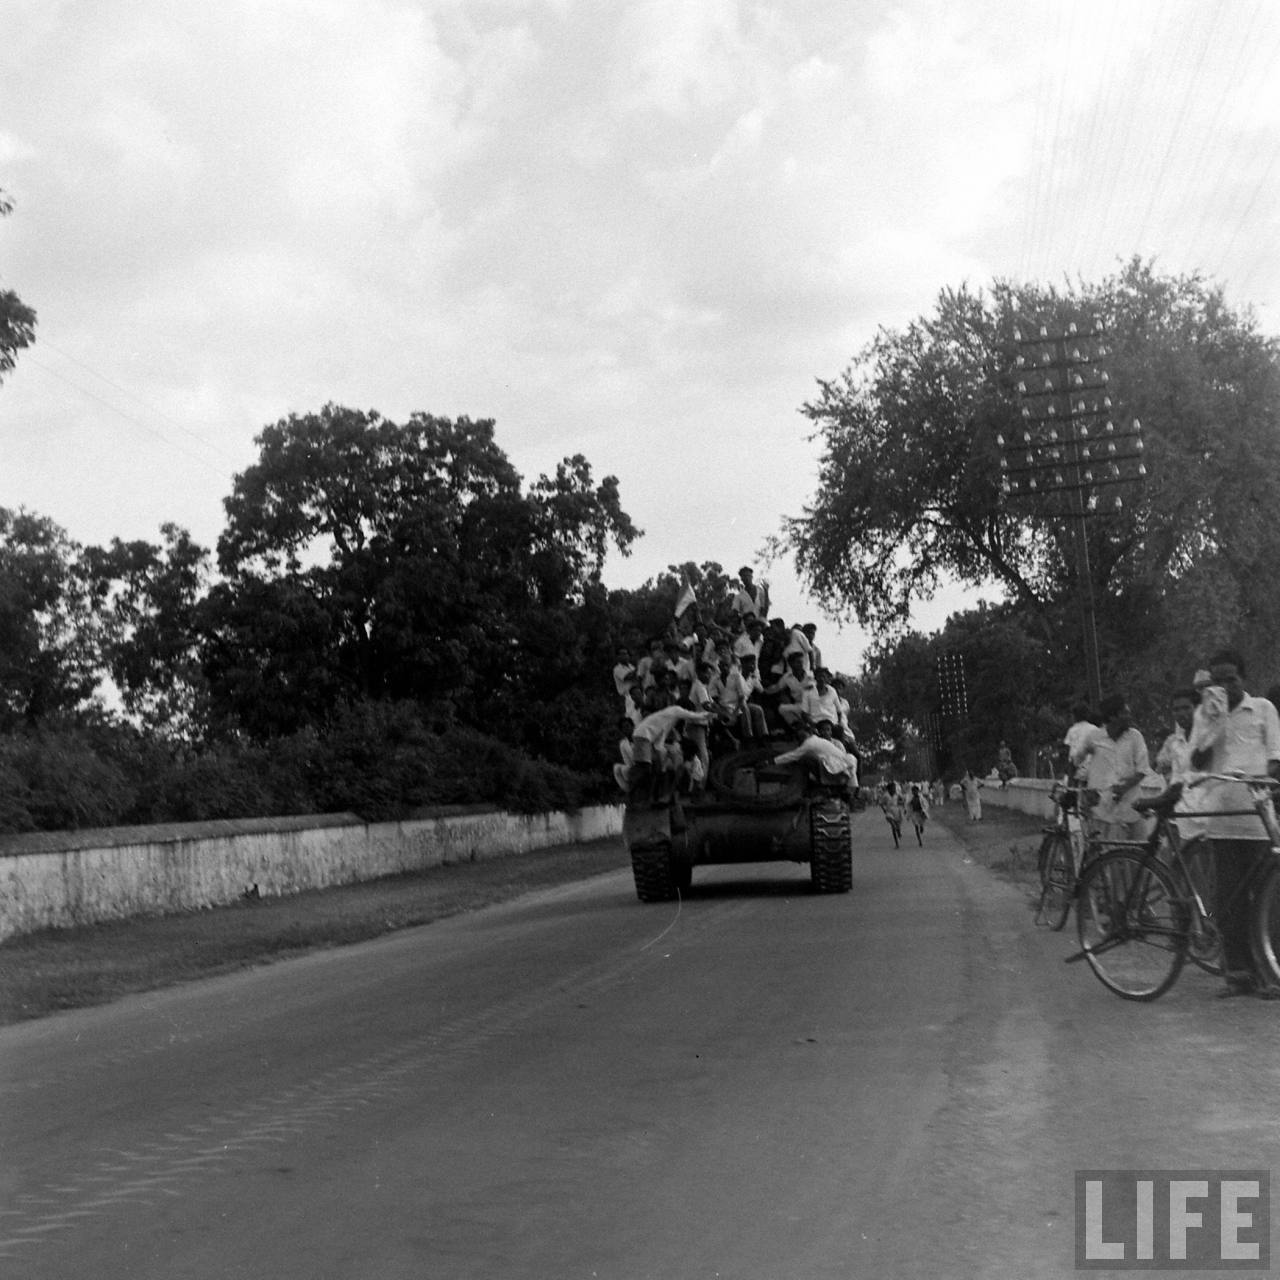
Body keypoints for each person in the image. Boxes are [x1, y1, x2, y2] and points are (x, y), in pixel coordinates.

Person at [1189, 648, 1280, 997]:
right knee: (1230, 901)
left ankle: (1268, 974)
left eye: (1231, 678)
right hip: (1222, 819)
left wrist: (1259, 779)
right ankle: (1237, 975)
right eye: (1218, 680)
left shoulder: (1263, 710)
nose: (1225, 685)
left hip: (1257, 819)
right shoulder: (1205, 713)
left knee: (1267, 901)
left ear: (1244, 677)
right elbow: (1196, 762)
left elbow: (1275, 760)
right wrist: (1213, 725)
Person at [1078, 693, 1151, 842]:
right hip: (1102, 809)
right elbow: (1076, 760)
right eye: (1125, 713)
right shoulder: (1094, 737)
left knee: (1140, 853)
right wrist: (1081, 788)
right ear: (1112, 717)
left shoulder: (1135, 737)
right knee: (1104, 855)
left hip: (1131, 806)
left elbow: (1142, 770)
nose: (1130, 717)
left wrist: (1124, 787)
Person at [879, 780, 905, 847]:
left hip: (896, 811)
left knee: (897, 826)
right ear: (889, 788)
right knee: (893, 826)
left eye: (894, 788)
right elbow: (881, 803)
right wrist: (884, 809)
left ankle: (898, 831)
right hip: (889, 811)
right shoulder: (885, 795)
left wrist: (902, 804)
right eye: (893, 788)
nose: (894, 789)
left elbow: (902, 800)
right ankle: (896, 843)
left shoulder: (897, 794)